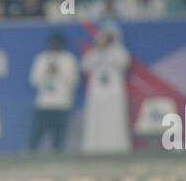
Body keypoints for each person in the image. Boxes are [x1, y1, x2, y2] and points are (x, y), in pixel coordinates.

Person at [79, 25, 131, 153]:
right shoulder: (94, 52)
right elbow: (85, 66)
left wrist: (108, 50)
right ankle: (93, 147)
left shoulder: (120, 51)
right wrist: (98, 50)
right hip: (96, 93)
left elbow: (123, 64)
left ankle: (117, 147)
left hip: (114, 93)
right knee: (95, 119)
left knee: (115, 119)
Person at [28, 33, 79, 152]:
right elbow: (34, 81)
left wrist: (59, 71)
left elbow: (73, 81)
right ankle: (31, 153)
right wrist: (46, 71)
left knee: (59, 133)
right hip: (44, 102)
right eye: (52, 42)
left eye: (57, 43)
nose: (55, 45)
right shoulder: (41, 58)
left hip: (62, 102)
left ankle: (57, 154)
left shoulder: (69, 59)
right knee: (37, 131)